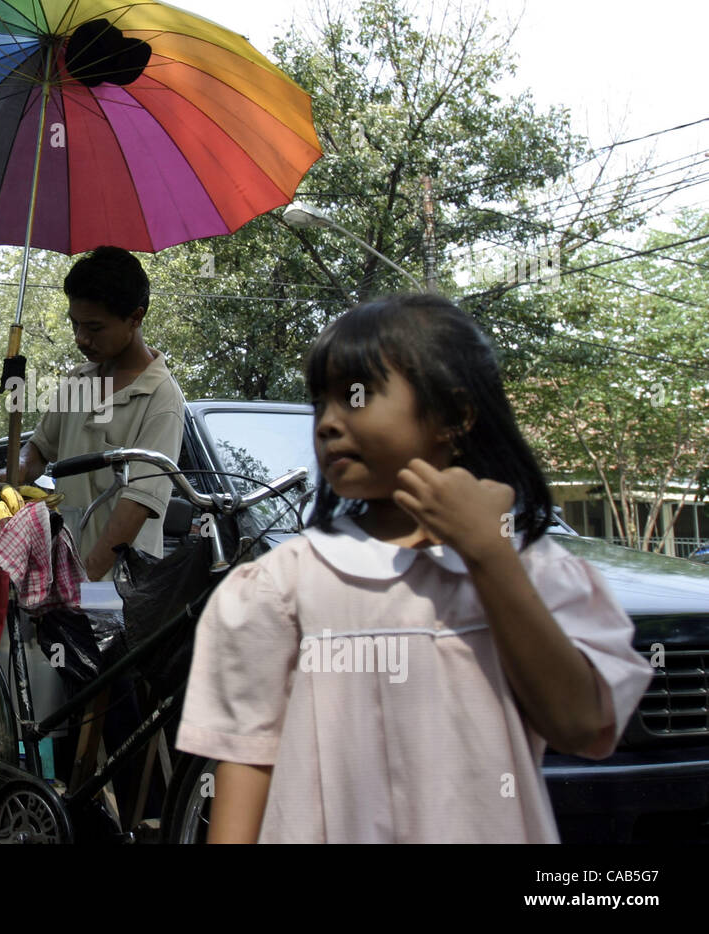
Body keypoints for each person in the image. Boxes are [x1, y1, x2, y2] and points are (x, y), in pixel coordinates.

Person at [177, 293, 652, 843]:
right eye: (321, 402)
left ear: (454, 415)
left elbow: (579, 723)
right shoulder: (283, 585)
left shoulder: (533, 569)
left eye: (357, 397)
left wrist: (488, 555)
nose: (328, 422)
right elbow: (246, 759)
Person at [0, 246, 186, 582]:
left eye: (94, 328)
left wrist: (83, 578)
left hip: (118, 590)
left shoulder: (162, 398)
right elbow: (40, 448)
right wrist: (20, 466)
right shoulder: (78, 380)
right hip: (60, 572)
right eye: (75, 324)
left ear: (135, 318)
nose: (81, 338)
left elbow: (137, 505)